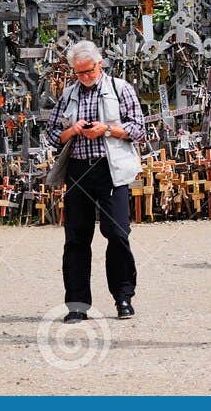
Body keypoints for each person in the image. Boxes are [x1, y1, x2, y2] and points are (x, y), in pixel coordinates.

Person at [45, 40, 146, 322]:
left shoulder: (120, 88)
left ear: (99, 64)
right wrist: (72, 131)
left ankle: (123, 297)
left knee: (117, 233)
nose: (84, 77)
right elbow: (52, 134)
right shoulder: (67, 95)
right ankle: (77, 305)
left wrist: (108, 130)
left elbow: (138, 128)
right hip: (78, 170)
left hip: (110, 169)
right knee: (76, 238)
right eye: (78, 73)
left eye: (88, 71)